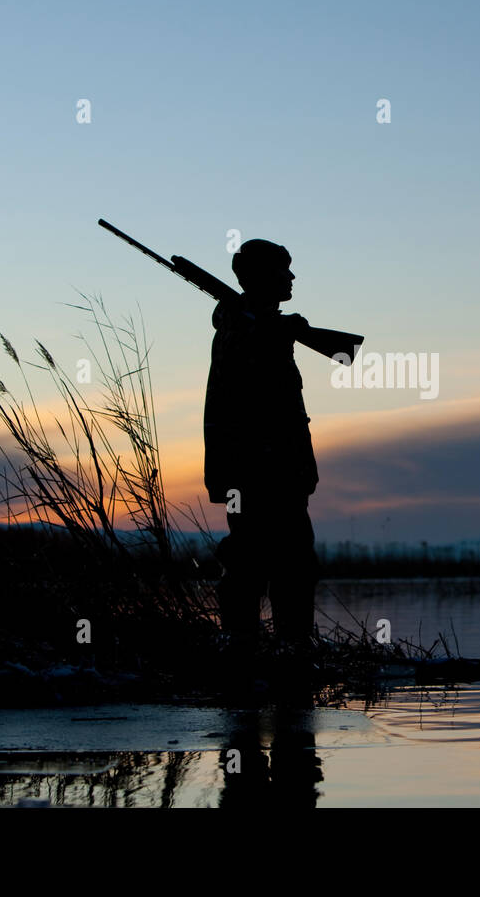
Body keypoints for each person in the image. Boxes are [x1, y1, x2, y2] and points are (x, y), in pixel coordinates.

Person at [204, 238, 320, 663]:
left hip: (283, 471)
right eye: (282, 271)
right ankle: (243, 652)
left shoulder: (264, 326)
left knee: (294, 564)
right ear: (257, 278)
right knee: (250, 562)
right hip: (254, 472)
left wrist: (284, 328)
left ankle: (292, 651)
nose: (291, 278)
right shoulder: (239, 327)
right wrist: (277, 329)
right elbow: (244, 392)